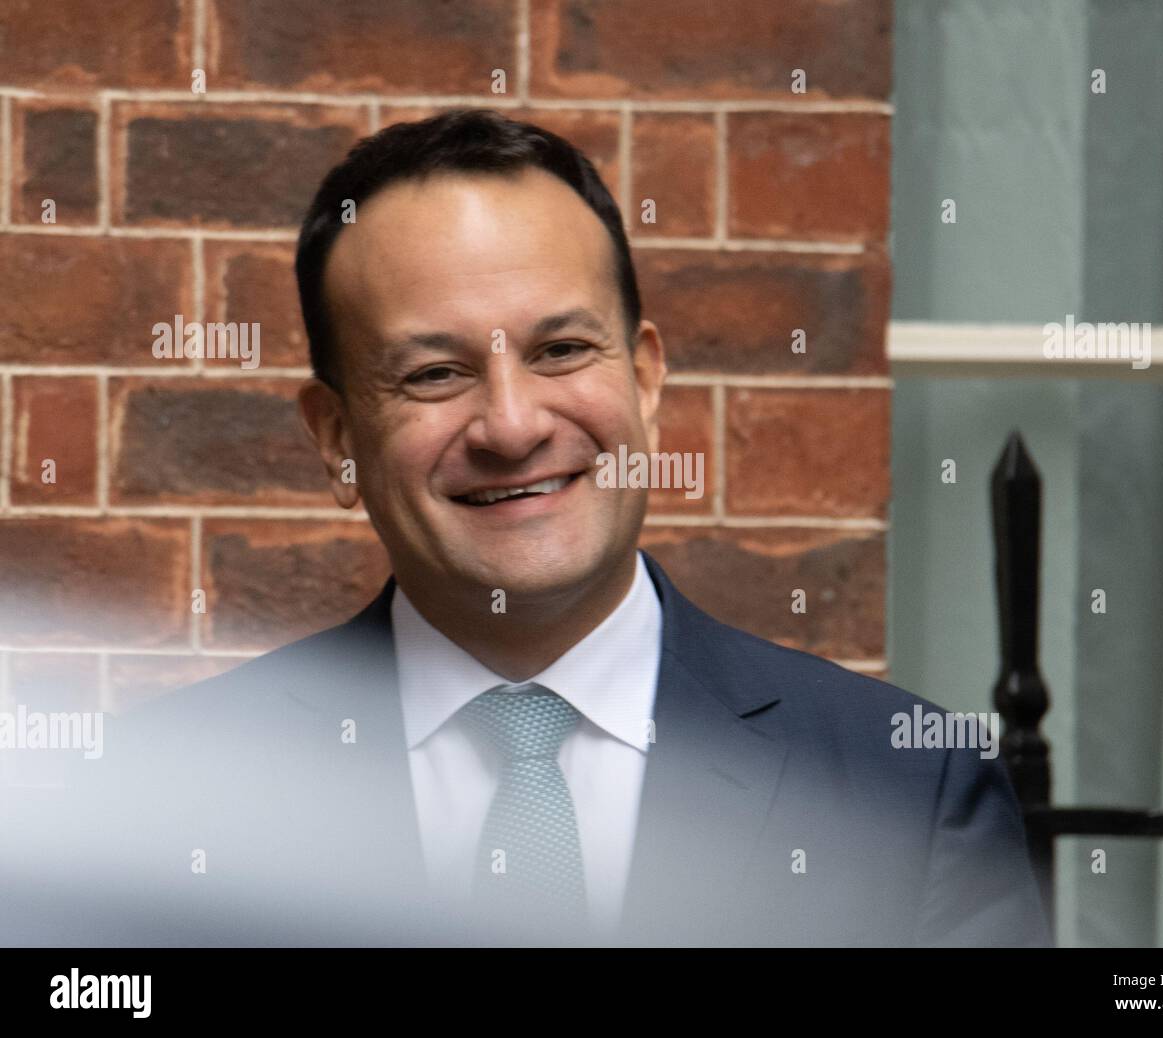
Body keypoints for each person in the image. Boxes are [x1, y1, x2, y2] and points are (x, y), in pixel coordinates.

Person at [34, 108, 1048, 947]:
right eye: (433, 373)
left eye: (562, 349)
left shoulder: (903, 795)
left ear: (645, 380)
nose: (513, 426)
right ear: (336, 433)